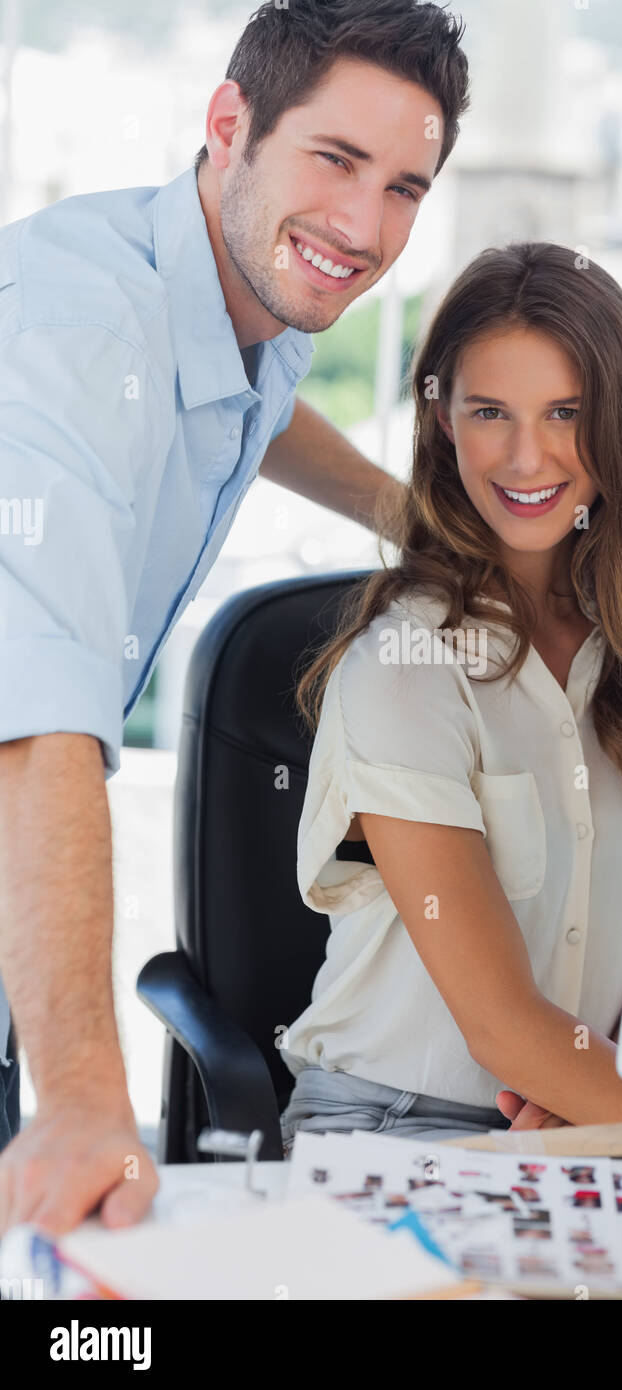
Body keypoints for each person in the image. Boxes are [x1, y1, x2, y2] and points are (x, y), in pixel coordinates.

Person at [0, 0, 470, 1235]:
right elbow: (38, 730)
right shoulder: (76, 330)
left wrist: (412, 518)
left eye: (405, 188)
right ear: (228, 125)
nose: (363, 229)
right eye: (335, 160)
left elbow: (246, 410)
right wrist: (89, 1101)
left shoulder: (248, 280)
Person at [281, 241, 622, 1152]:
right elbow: (502, 1028)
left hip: (574, 1121)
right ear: (444, 424)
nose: (527, 454)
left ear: (616, 425)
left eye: (566, 412)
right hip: (393, 1127)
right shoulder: (407, 670)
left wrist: (589, 1080)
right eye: (490, 412)